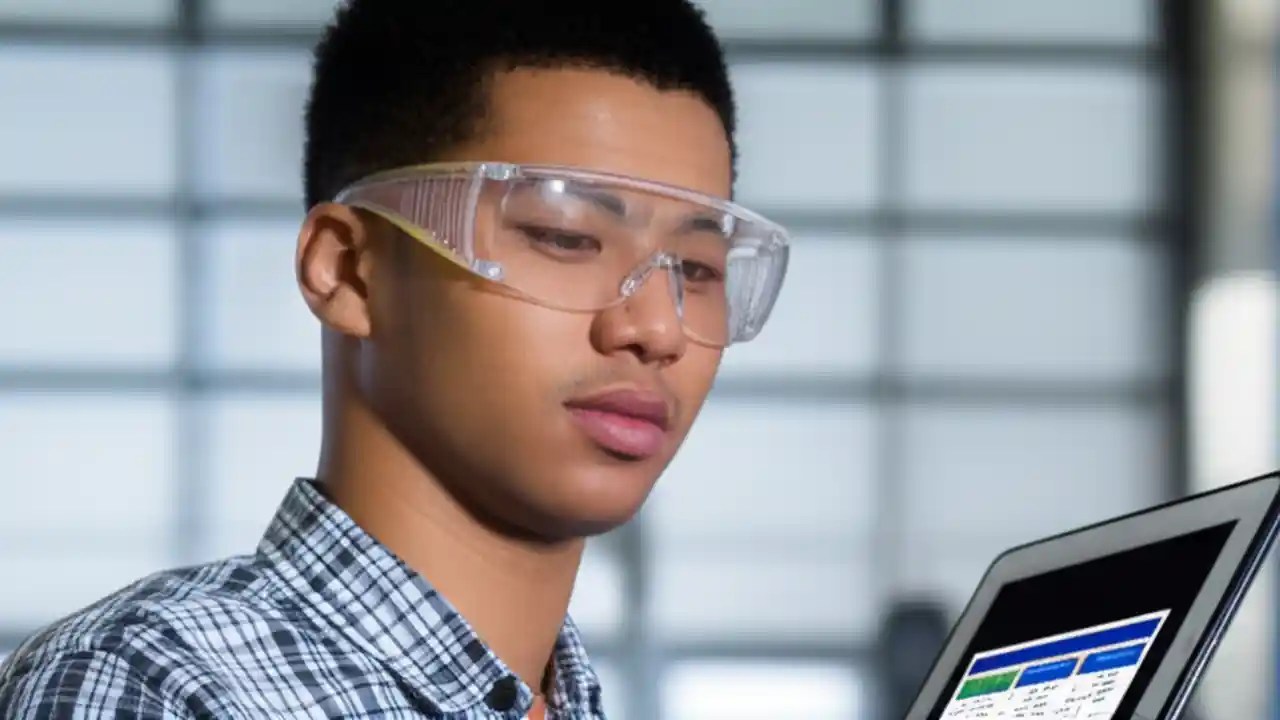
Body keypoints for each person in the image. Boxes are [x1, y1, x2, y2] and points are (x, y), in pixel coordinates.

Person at [0, 0, 790, 717]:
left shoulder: (571, 700)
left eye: (697, 270)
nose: (658, 328)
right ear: (344, 269)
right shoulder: (156, 687)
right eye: (566, 237)